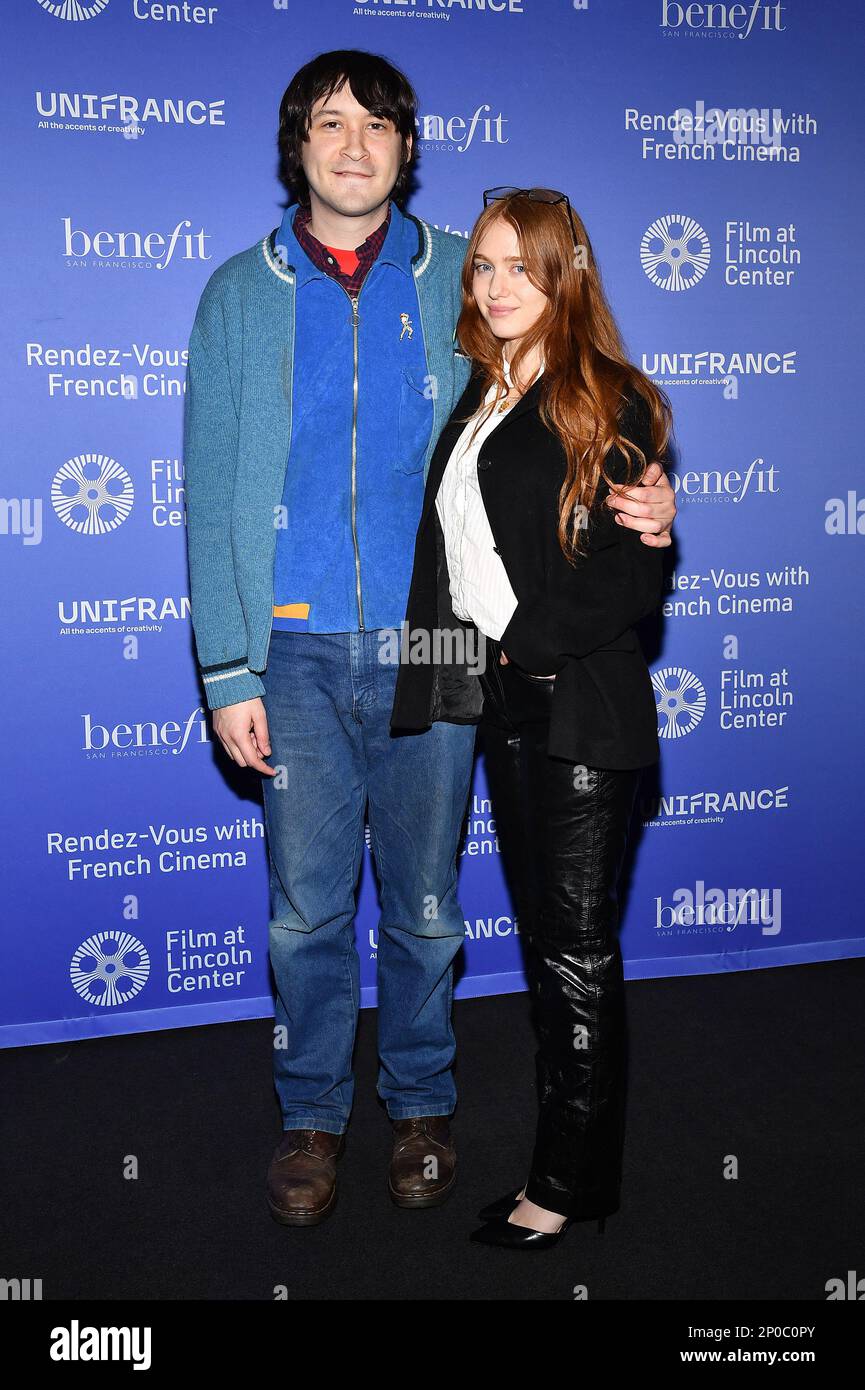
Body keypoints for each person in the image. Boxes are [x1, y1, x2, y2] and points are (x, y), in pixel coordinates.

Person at [184, 49, 678, 1229]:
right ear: (295, 145)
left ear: (408, 147)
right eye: (328, 124)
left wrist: (648, 503)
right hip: (293, 653)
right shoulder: (235, 297)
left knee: (421, 903)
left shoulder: (470, 273)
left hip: (439, 643)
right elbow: (210, 493)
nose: (353, 146)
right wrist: (227, 664)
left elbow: (572, 405)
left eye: (378, 125)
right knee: (306, 911)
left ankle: (420, 1102)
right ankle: (310, 1117)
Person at [391, 188, 674, 1249]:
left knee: (573, 955)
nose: (498, 285)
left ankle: (567, 1187)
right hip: (507, 707)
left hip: (580, 713)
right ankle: (566, 1163)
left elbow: (627, 581)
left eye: (523, 265)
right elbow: (454, 561)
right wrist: (447, 680)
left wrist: (529, 647)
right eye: (485, 267)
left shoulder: (605, 396)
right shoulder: (486, 392)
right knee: (556, 946)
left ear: (569, 274)